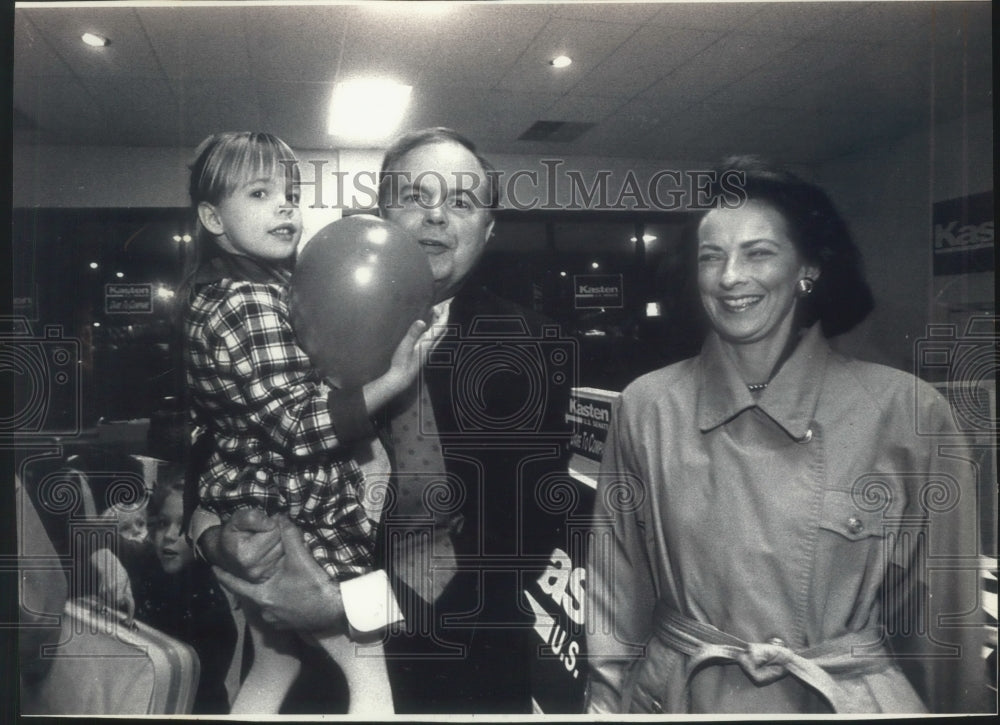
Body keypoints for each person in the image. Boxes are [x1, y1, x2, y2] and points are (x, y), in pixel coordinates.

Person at [585, 156, 985, 714]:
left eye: (758, 253)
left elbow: (943, 625)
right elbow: (615, 595)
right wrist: (604, 708)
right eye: (711, 256)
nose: (730, 277)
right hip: (681, 700)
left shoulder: (907, 411)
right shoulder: (647, 406)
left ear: (808, 269)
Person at [204, 128, 573, 713]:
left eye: (462, 201)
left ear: (488, 230)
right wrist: (215, 537)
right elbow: (215, 444)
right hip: (311, 675)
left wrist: (349, 606)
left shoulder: (529, 347)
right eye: (415, 196)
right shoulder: (292, 312)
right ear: (380, 214)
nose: (437, 216)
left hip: (462, 669)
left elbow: (522, 538)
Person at [180, 131, 438, 714]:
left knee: (276, 665)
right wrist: (393, 379)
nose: (285, 206)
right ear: (213, 218)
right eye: (260, 193)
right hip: (300, 513)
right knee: (370, 665)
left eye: (291, 194)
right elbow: (296, 425)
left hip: (273, 509)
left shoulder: (248, 291)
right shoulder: (249, 301)